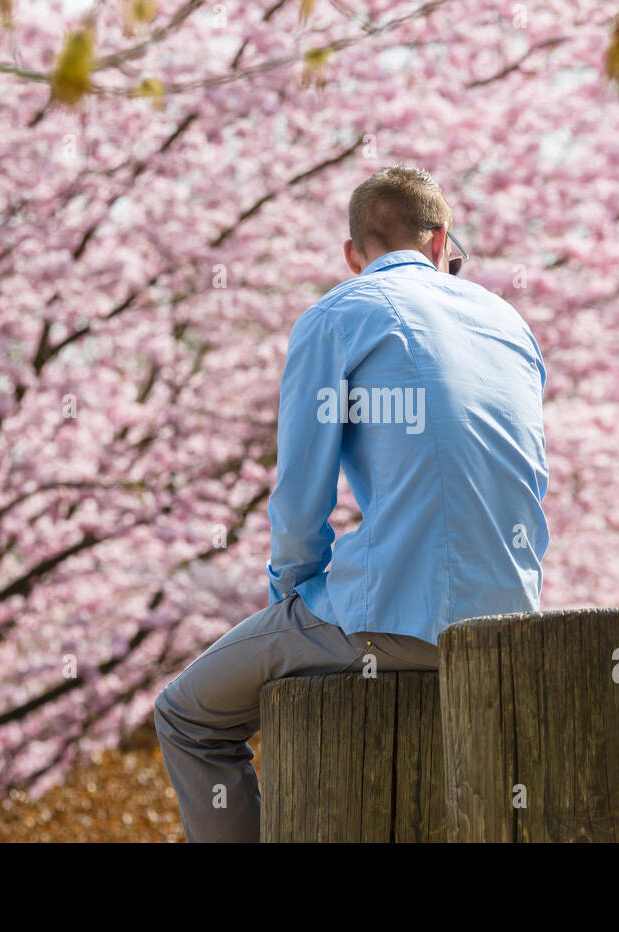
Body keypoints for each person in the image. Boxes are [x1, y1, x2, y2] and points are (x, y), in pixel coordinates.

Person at [154, 164, 550, 842]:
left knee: (186, 717)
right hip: (509, 627)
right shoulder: (508, 321)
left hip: (387, 619)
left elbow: (301, 497)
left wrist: (292, 594)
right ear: (442, 242)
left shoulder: (339, 314)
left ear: (353, 252)